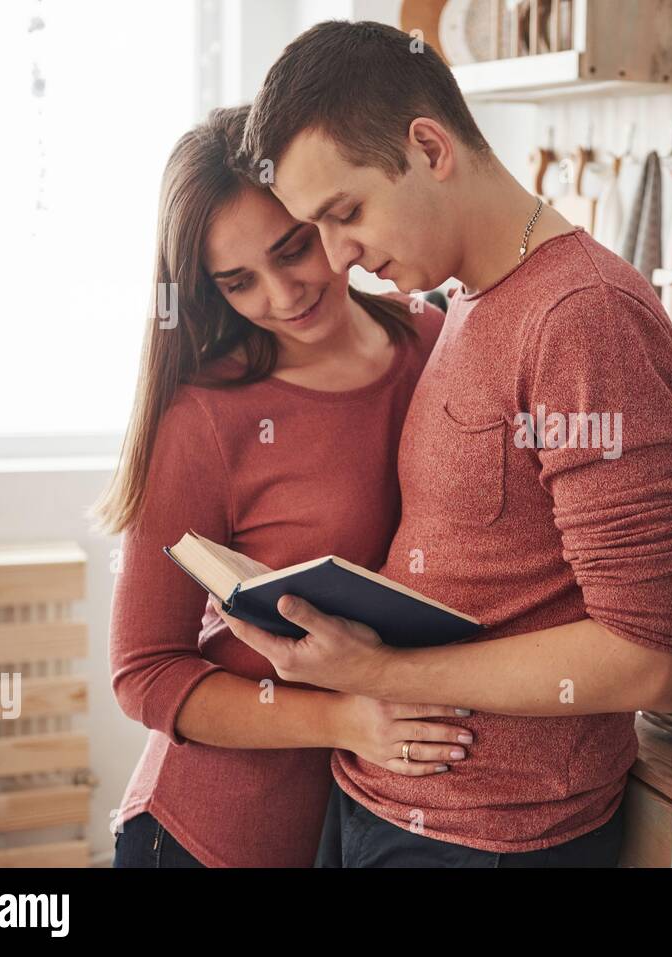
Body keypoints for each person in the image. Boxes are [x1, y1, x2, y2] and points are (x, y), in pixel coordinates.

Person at [214, 20, 672, 867]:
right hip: (382, 803)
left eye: (347, 213)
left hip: (493, 839)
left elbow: (651, 656)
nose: (340, 258)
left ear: (430, 147)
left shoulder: (581, 316)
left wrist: (378, 674)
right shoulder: (470, 299)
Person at [91, 104, 465, 867]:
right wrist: (344, 720)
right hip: (212, 835)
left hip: (374, 825)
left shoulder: (432, 338)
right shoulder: (203, 415)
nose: (283, 294)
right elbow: (144, 673)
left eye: (292, 249)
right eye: (238, 283)